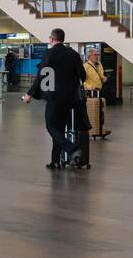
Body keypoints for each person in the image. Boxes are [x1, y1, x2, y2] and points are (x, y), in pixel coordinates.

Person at [23, 28, 87, 169]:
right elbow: (83, 76)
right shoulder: (73, 54)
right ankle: (55, 160)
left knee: (51, 126)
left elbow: (41, 76)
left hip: (54, 97)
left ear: (52, 39)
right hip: (70, 98)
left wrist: (29, 94)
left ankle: (72, 149)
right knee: (59, 128)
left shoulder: (49, 54)